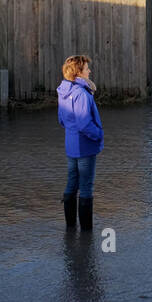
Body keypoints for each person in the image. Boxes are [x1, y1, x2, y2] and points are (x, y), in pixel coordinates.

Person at [57, 55, 103, 231]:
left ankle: (70, 228)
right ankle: (86, 232)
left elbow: (62, 120)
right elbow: (84, 123)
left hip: (71, 145)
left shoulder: (63, 91)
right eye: (86, 69)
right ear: (78, 72)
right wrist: (99, 134)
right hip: (85, 146)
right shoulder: (82, 94)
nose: (89, 71)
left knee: (72, 183)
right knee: (86, 187)